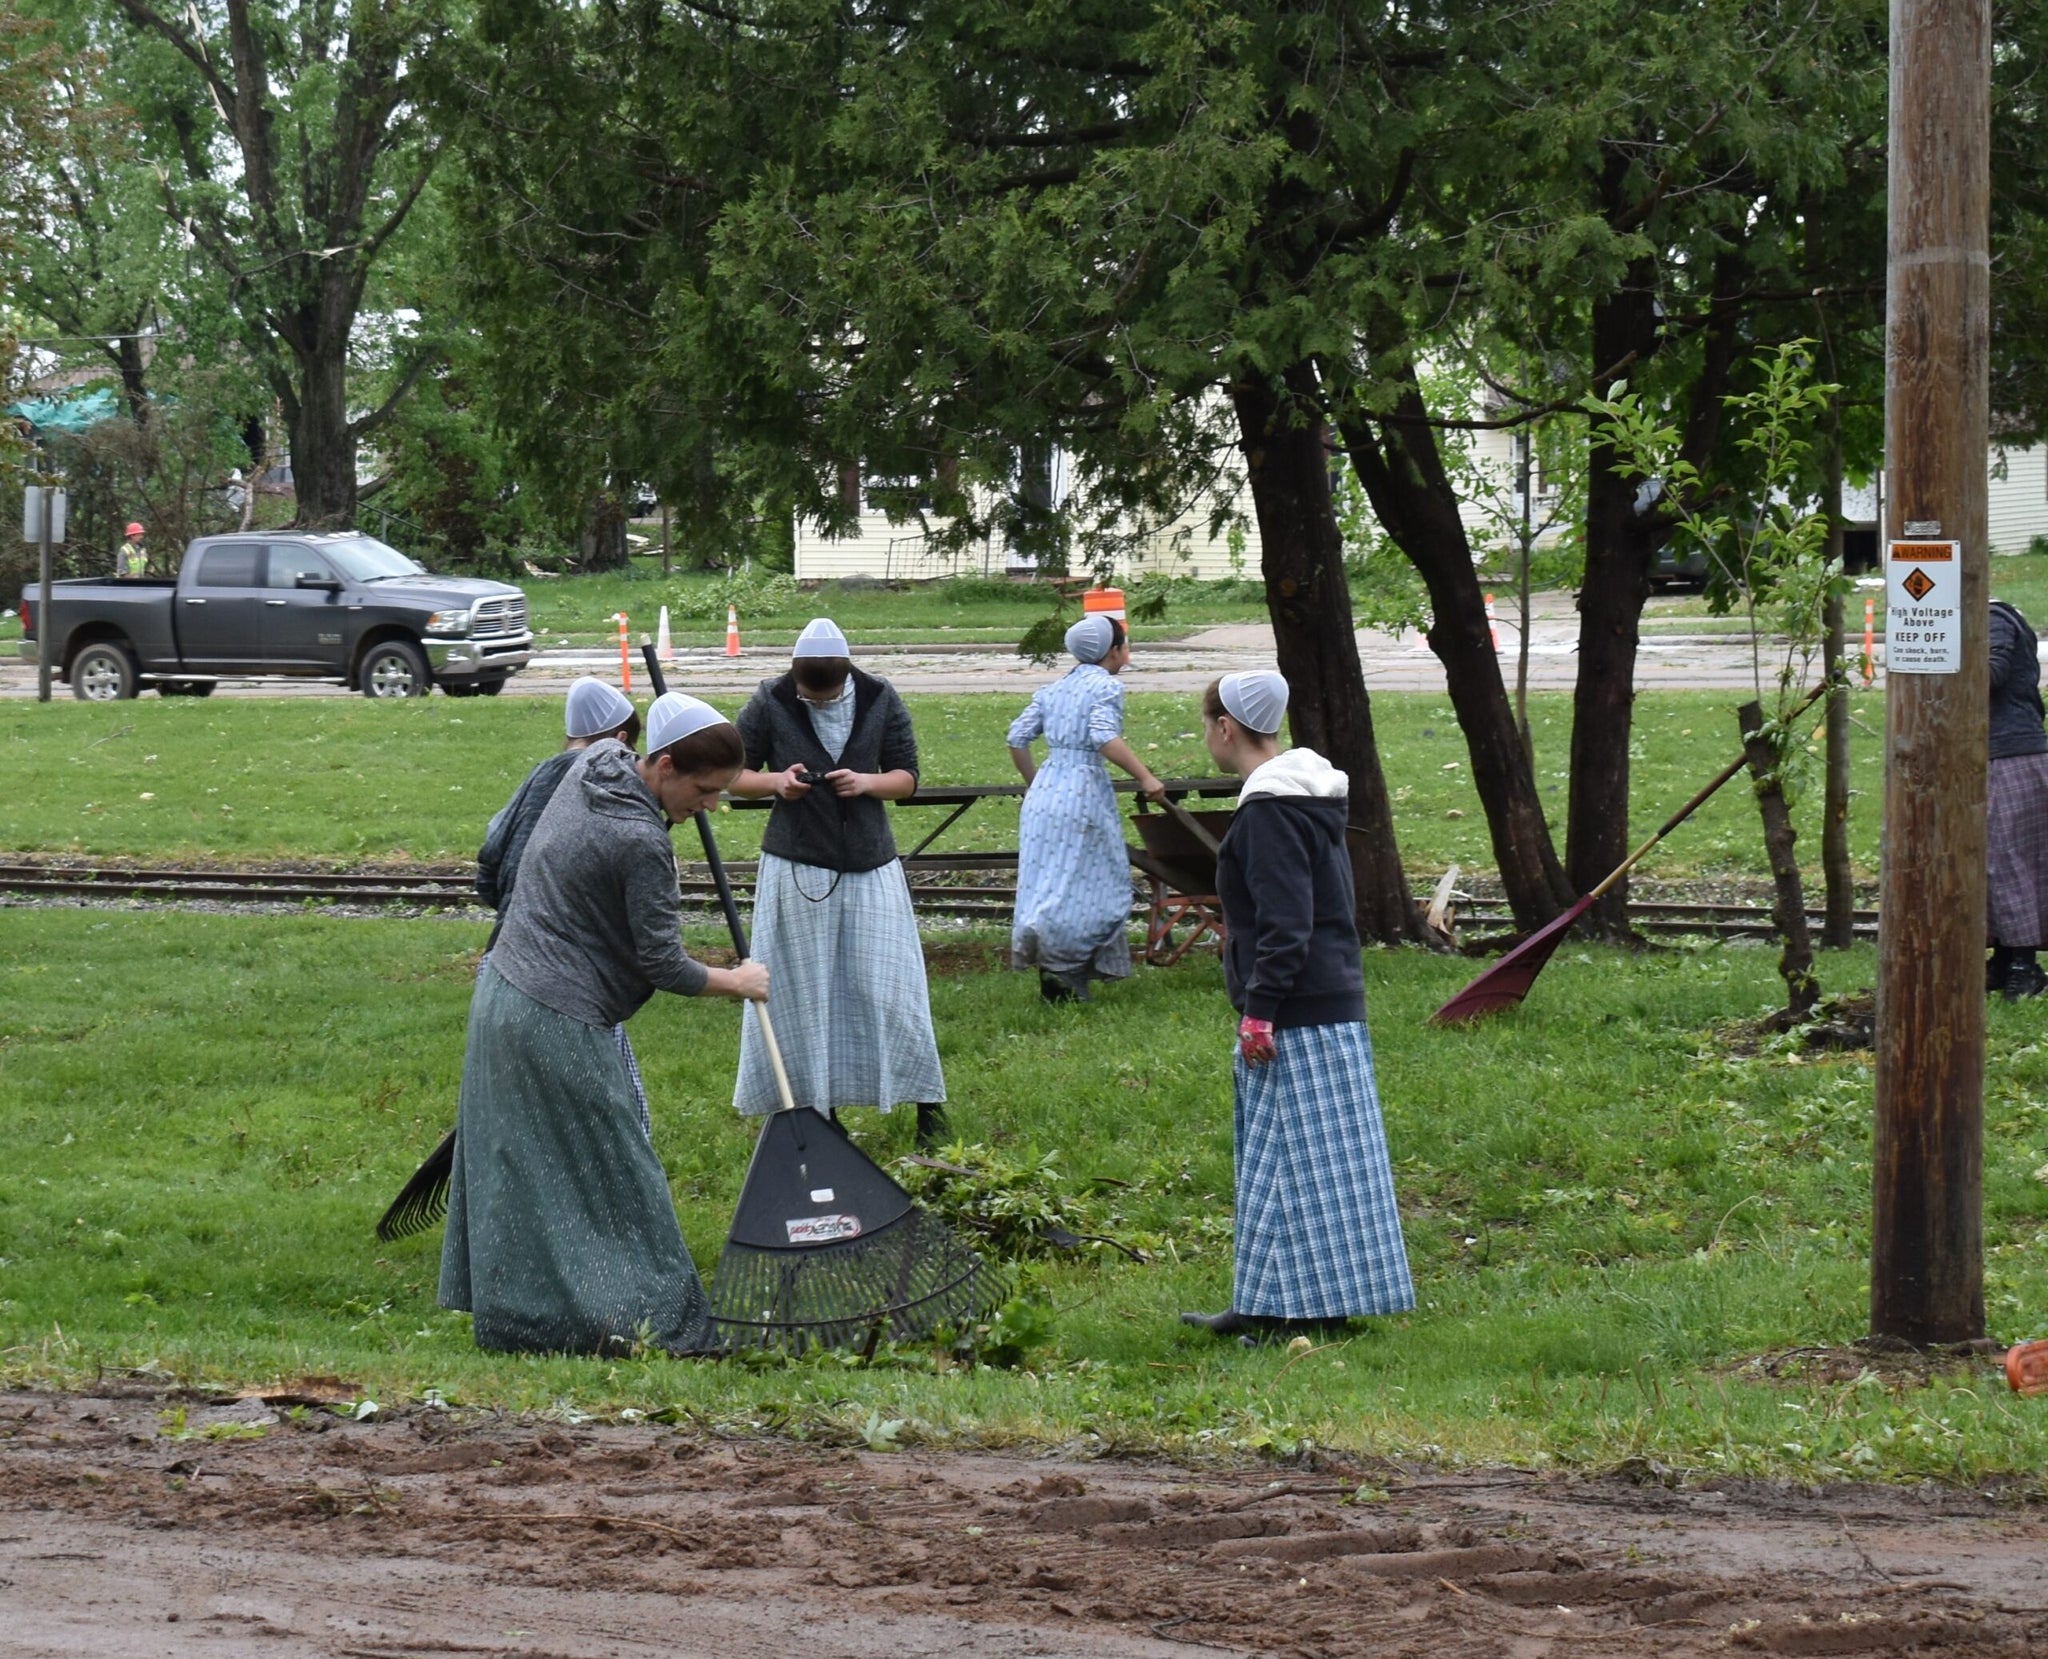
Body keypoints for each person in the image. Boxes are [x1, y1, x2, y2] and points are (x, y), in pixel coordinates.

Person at [439, 692, 767, 1356]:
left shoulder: (598, 762)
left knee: (529, 1165)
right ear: (665, 763)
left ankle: (529, 1320)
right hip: (554, 1014)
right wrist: (738, 981)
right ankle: (657, 1324)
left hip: (503, 992)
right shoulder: (642, 841)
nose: (709, 807)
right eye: (703, 790)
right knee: (615, 1166)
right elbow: (663, 963)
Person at [1180, 671, 1415, 1345]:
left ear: (1227, 727)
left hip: (1299, 1006)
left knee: (1297, 1166)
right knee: (1287, 1160)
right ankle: (1260, 1301)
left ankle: (1300, 1313)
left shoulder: (1270, 811)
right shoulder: (1305, 794)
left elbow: (1287, 923)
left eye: (1207, 725)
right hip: (1328, 996)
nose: (1207, 738)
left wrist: (1260, 1010)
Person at [730, 617, 949, 1148]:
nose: (819, 705)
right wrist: (777, 782)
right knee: (802, 992)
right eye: (809, 697)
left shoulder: (879, 696)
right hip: (796, 864)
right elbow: (731, 773)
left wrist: (868, 782)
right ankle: (815, 1112)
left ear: (846, 676)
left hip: (871, 865)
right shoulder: (769, 698)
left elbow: (908, 776)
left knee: (891, 989)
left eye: (826, 698)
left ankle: (928, 1107)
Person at [475, 676, 649, 1131]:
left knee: (521, 1117)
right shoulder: (608, 784)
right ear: (622, 740)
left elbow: (488, 869)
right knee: (617, 1119)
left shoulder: (537, 775)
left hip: (503, 961)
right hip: (564, 975)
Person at [1007, 613, 1166, 1001]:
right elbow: (1104, 737)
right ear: (1114, 651)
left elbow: (1017, 737)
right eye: (1125, 642)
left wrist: (1036, 786)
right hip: (1082, 793)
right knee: (1097, 886)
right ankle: (1064, 970)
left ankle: (1062, 974)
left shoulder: (1054, 689)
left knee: (1052, 886)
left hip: (1047, 793)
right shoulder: (1106, 688)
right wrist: (1146, 777)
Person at [1988, 598, 2048, 1000]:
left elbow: (1990, 673)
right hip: (1998, 753)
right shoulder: (1983, 617)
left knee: (2006, 861)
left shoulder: (1992, 617)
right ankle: (2007, 958)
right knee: (1995, 862)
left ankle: (2025, 968)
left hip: (2011, 754)